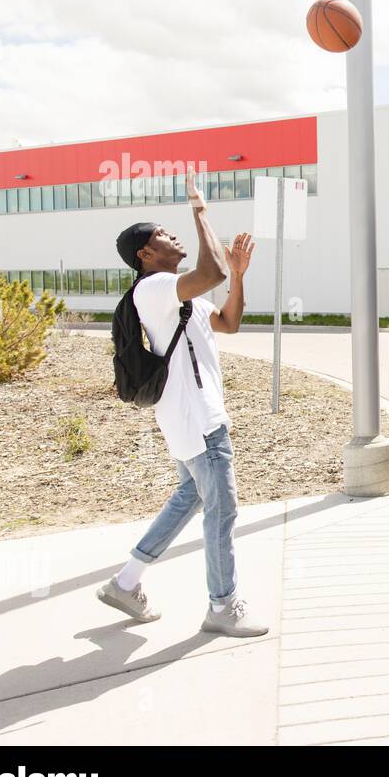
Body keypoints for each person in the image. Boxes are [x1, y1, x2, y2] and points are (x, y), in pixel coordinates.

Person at [98, 169, 267, 637]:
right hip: (198, 423)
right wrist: (200, 210)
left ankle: (125, 582)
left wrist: (236, 276)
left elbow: (230, 322)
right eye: (163, 235)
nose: (173, 237)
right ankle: (222, 605)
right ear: (145, 255)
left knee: (190, 498)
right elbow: (207, 270)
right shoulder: (153, 289)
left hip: (189, 420)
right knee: (221, 510)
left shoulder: (181, 298)